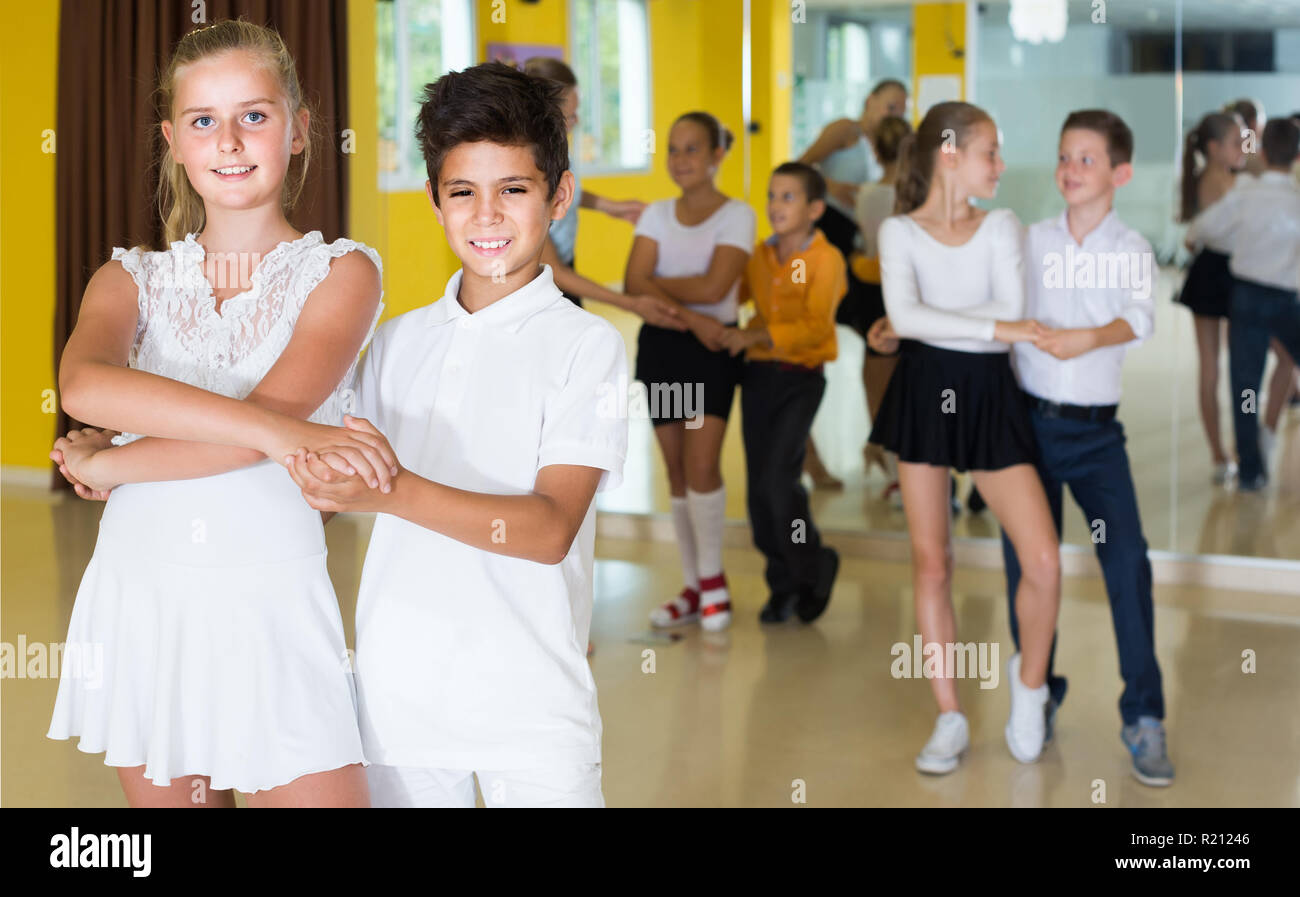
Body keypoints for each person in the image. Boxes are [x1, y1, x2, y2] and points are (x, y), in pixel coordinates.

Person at [46, 20, 393, 807]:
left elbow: (262, 421)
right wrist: (281, 436)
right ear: (173, 140)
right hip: (144, 590)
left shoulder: (341, 273)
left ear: (300, 129)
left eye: (255, 115)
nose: (229, 141)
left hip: (270, 599)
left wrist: (107, 461)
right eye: (204, 120)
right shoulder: (127, 278)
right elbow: (85, 387)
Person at [285, 62, 628, 807]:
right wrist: (126, 465)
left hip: (536, 710)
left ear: (559, 196)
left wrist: (393, 489)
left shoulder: (587, 347)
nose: (487, 216)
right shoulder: (395, 343)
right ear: (436, 204)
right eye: (463, 192)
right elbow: (320, 489)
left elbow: (547, 530)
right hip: (398, 705)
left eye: (515, 190)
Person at [865, 101, 1061, 773]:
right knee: (933, 563)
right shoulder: (898, 233)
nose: (1001, 167)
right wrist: (993, 329)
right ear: (949, 153)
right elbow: (905, 318)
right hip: (924, 392)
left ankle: (1029, 688)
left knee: (1043, 560)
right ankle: (949, 713)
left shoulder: (1002, 224)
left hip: (989, 395)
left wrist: (935, 320)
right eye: (991, 153)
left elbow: (1002, 309)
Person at [1005, 109, 1172, 786]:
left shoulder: (1131, 247)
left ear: (1120, 174)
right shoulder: (1029, 240)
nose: (1071, 170)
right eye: (1065, 157)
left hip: (1096, 436)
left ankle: (1144, 715)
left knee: (1126, 562)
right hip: (1026, 431)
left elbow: (1139, 317)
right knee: (1029, 568)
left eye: (1088, 159)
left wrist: (1086, 338)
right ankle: (1038, 690)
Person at [625, 111, 756, 632]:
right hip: (664, 346)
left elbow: (713, 286)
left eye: (692, 149)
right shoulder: (656, 214)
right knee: (676, 471)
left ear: (718, 155)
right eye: (673, 149)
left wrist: (663, 287)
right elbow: (635, 279)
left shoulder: (738, 215)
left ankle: (713, 576)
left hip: (712, 350)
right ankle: (693, 584)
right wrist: (691, 315)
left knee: (703, 466)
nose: (680, 160)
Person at [722, 162, 847, 624]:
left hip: (800, 378)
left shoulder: (824, 260)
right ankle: (783, 582)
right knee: (759, 492)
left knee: (780, 482)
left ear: (815, 209)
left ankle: (813, 564)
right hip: (758, 379)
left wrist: (755, 337)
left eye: (788, 197)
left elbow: (816, 326)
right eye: (773, 195)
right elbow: (736, 298)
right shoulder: (759, 256)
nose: (776, 205)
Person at [800, 80, 909, 488]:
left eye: (901, 108)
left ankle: (878, 441)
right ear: (870, 101)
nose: (894, 112)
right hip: (827, 243)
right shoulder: (845, 130)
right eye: (889, 104)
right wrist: (831, 188)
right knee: (809, 346)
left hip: (857, 251)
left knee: (878, 342)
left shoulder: (882, 154)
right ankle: (811, 455)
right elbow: (798, 168)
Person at [521, 57, 683, 331]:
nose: (577, 121)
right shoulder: (531, 163)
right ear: (546, 114)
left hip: (560, 272)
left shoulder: (556, 149)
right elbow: (556, 272)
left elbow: (562, 195)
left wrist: (611, 207)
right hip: (539, 284)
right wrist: (630, 304)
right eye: (571, 115)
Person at [1188, 117, 1300, 491]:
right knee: (1285, 364)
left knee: (1246, 386)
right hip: (1286, 300)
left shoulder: (1245, 195)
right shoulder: (1295, 200)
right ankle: (1260, 441)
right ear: (1297, 156)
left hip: (1248, 298)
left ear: (1263, 152)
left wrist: (1196, 238)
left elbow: (1201, 229)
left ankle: (1250, 466)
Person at [1176, 112, 1246, 482]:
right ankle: (1237, 447)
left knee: (1211, 368)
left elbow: (1194, 238)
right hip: (1231, 275)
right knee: (1235, 369)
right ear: (1215, 148)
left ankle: (1220, 454)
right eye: (1238, 141)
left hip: (1207, 273)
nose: (1245, 148)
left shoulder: (1206, 177)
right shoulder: (1231, 183)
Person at [853, 114, 911, 506]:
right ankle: (904, 470)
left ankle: (892, 467)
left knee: (880, 389)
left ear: (875, 150)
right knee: (907, 389)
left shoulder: (868, 195)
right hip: (907, 295)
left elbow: (867, 248)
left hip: (874, 296)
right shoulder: (915, 196)